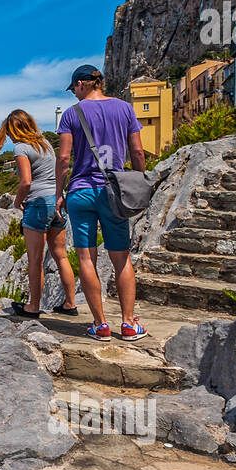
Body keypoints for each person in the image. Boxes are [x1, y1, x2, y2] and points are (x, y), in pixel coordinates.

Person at [55, 64, 147, 342]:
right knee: (121, 258)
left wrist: (60, 193)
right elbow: (138, 150)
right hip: (113, 192)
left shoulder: (72, 114)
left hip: (81, 192)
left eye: (74, 89)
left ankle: (100, 325)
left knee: (86, 258)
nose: (73, 94)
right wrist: (140, 180)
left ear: (82, 84)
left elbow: (63, 159)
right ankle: (129, 324)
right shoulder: (125, 109)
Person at [0, 109, 79, 318]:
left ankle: (33, 306)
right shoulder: (45, 144)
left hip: (38, 204)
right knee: (60, 255)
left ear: (14, 130)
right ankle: (70, 303)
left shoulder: (21, 148)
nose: (9, 137)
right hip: (57, 201)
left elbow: (26, 181)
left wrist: (17, 201)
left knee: (35, 259)